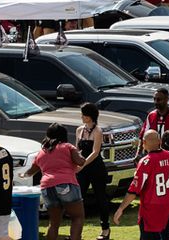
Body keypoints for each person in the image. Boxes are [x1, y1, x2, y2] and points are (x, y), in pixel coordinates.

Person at [22, 123, 86, 240]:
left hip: (47, 187)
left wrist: (22, 175)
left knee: (54, 223)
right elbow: (80, 162)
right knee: (77, 217)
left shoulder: (41, 153)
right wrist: (82, 156)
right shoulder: (68, 147)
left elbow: (30, 172)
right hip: (66, 184)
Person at [113, 129, 169, 240]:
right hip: (166, 203)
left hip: (150, 207)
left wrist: (121, 208)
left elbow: (134, 190)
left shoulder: (146, 161)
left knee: (149, 236)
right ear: (160, 141)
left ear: (144, 143)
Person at [77, 103, 112, 240]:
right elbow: (77, 149)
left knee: (100, 198)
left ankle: (105, 229)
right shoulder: (79, 130)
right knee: (78, 199)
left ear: (90, 116)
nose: (82, 117)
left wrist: (83, 164)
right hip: (83, 169)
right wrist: (76, 163)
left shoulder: (98, 131)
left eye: (84, 114)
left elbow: (95, 152)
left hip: (96, 168)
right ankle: (77, 231)